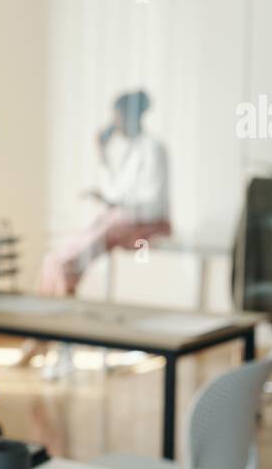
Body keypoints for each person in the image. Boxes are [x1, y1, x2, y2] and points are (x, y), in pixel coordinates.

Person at [19, 90, 171, 372]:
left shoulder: (153, 149)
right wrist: (102, 156)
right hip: (120, 219)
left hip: (142, 224)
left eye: (118, 117)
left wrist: (120, 206)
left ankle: (49, 340)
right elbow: (116, 192)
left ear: (129, 116)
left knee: (65, 263)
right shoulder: (131, 150)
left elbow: (153, 204)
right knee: (54, 261)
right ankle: (42, 336)